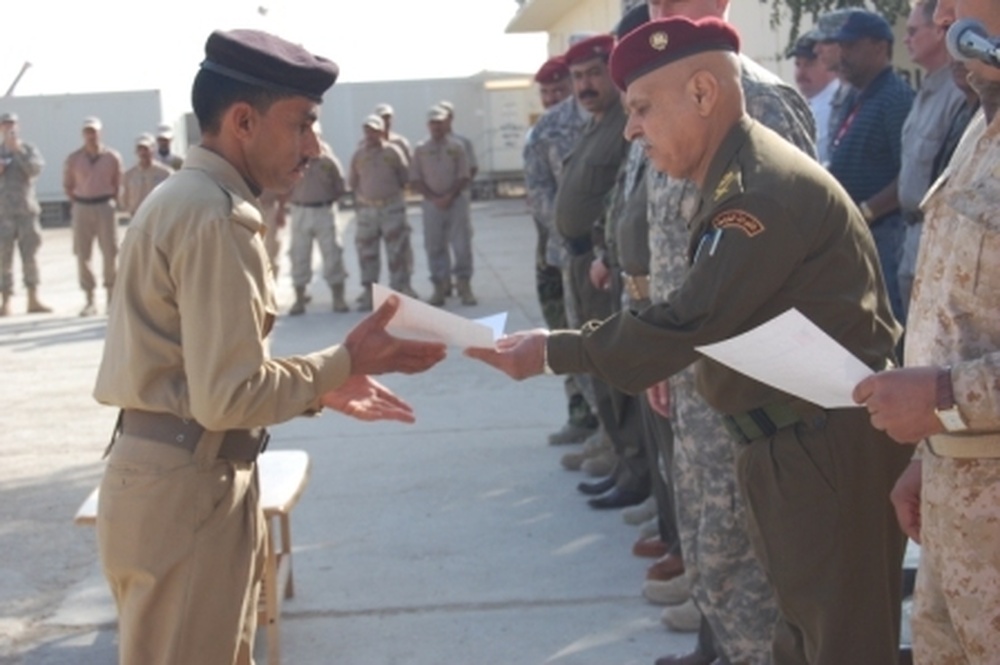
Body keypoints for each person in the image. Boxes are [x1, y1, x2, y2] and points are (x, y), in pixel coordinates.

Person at [469, 15, 912, 665]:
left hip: (821, 448)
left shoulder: (760, 189)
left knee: (839, 643)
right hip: (790, 440)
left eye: (643, 107)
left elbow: (691, 318)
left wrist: (552, 350)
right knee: (799, 635)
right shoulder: (734, 176)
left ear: (703, 94)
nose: (632, 128)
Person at [92, 29, 446, 665]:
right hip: (187, 489)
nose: (313, 146)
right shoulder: (216, 215)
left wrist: (321, 385)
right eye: (302, 124)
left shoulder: (189, 198)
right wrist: (344, 360)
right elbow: (229, 396)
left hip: (180, 477)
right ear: (244, 121)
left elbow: (209, 373)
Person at [643, 0, 817, 661]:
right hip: (692, 372)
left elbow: (787, 251)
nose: (661, 7)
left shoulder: (761, 101)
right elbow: (672, 241)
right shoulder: (664, 99)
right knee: (712, 556)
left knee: (753, 564)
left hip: (751, 379)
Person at [852, 0, 999, 661]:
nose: (940, 15)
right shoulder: (978, 128)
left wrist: (944, 395)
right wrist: (927, 457)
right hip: (955, 511)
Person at [555, 32, 649, 511]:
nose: (585, 85)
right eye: (577, 78)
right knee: (597, 366)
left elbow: (620, 201)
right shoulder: (595, 124)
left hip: (602, 266)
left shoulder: (622, 124)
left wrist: (601, 252)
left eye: (593, 73)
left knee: (615, 370)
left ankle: (635, 470)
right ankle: (622, 459)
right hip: (580, 263)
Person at [522, 50, 599, 448]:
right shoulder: (547, 130)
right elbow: (539, 192)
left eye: (558, 89)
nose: (552, 97)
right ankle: (583, 416)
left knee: (603, 340)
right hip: (560, 252)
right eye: (546, 92)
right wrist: (572, 239)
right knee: (566, 334)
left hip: (602, 257)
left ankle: (612, 432)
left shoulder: (610, 115)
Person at [826, 9, 915, 322]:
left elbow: (909, 174)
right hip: (858, 233)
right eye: (841, 46)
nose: (843, 53)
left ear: (880, 47)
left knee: (888, 322)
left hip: (886, 236)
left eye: (852, 46)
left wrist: (865, 211)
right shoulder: (856, 97)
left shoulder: (895, 99)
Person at [896, 0, 966, 321]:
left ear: (941, 31)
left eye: (913, 31)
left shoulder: (960, 92)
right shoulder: (926, 90)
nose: (906, 39)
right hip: (912, 238)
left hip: (940, 239)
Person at [409, 105, 475, 306]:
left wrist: (449, 196)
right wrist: (433, 197)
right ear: (428, 125)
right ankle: (440, 287)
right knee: (434, 246)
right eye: (433, 123)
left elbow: (464, 175)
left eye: (440, 122)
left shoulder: (457, 147)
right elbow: (415, 179)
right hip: (431, 204)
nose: (436, 126)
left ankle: (464, 286)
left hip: (456, 203)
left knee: (461, 245)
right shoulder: (421, 149)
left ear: (446, 123)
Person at [349, 114, 416, 310]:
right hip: (367, 210)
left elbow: (405, 179)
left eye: (374, 131)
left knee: (397, 251)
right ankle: (370, 294)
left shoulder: (393, 152)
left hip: (391, 208)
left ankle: (399, 293)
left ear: (381, 132)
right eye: (367, 131)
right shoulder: (359, 154)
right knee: (367, 252)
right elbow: (353, 182)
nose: (370, 134)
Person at [63, 116, 123, 317]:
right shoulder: (74, 159)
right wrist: (78, 202)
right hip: (82, 206)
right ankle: (89, 300)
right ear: (83, 134)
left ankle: (111, 297)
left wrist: (110, 201)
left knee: (110, 252)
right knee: (83, 254)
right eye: (88, 131)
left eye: (94, 131)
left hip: (105, 205)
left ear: (100, 133)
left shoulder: (112, 157)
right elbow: (68, 185)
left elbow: (117, 183)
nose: (91, 135)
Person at [286, 125, 349, 315]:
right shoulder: (292, 161)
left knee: (332, 254)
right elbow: (283, 185)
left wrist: (328, 201)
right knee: (299, 255)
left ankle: (338, 297)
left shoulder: (328, 161)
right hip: (300, 212)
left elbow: (340, 186)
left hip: (324, 211)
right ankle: (299, 297)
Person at [0, 112, 50, 316]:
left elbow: (35, 170)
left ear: (18, 126)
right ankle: (6, 301)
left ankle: (33, 298)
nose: (9, 127)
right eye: (5, 124)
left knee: (30, 255)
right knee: (3, 258)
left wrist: (17, 152)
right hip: (3, 214)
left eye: (12, 124)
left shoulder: (28, 149)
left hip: (26, 211)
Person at [788, 30, 838, 165]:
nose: (801, 73)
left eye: (809, 64)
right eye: (798, 64)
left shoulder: (836, 105)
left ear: (828, 64)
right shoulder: (805, 105)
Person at [121, 134, 173, 218]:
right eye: (140, 149)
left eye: (146, 149)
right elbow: (125, 198)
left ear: (153, 150)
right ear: (136, 151)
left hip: (158, 215)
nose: (143, 153)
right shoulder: (129, 175)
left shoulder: (165, 173)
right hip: (137, 216)